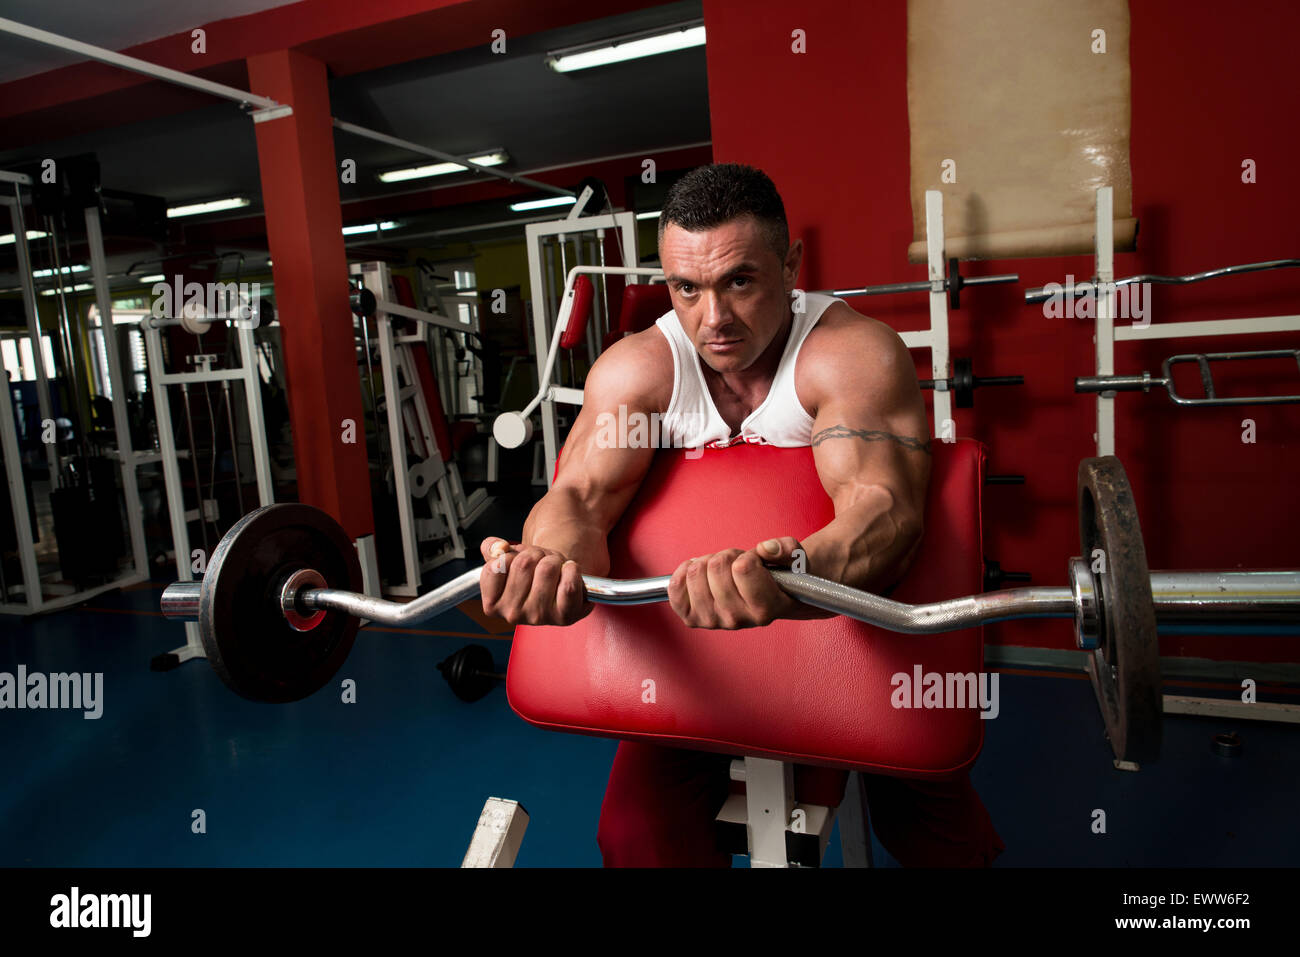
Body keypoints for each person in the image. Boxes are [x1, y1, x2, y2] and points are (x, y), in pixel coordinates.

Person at [480, 163, 1003, 867]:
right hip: (694, 660)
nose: (713, 319)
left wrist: (792, 573)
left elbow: (884, 512)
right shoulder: (640, 369)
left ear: (791, 266)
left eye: (740, 282)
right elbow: (578, 497)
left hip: (855, 641)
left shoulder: (849, 354)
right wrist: (550, 558)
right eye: (686, 289)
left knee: (931, 823)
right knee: (636, 836)